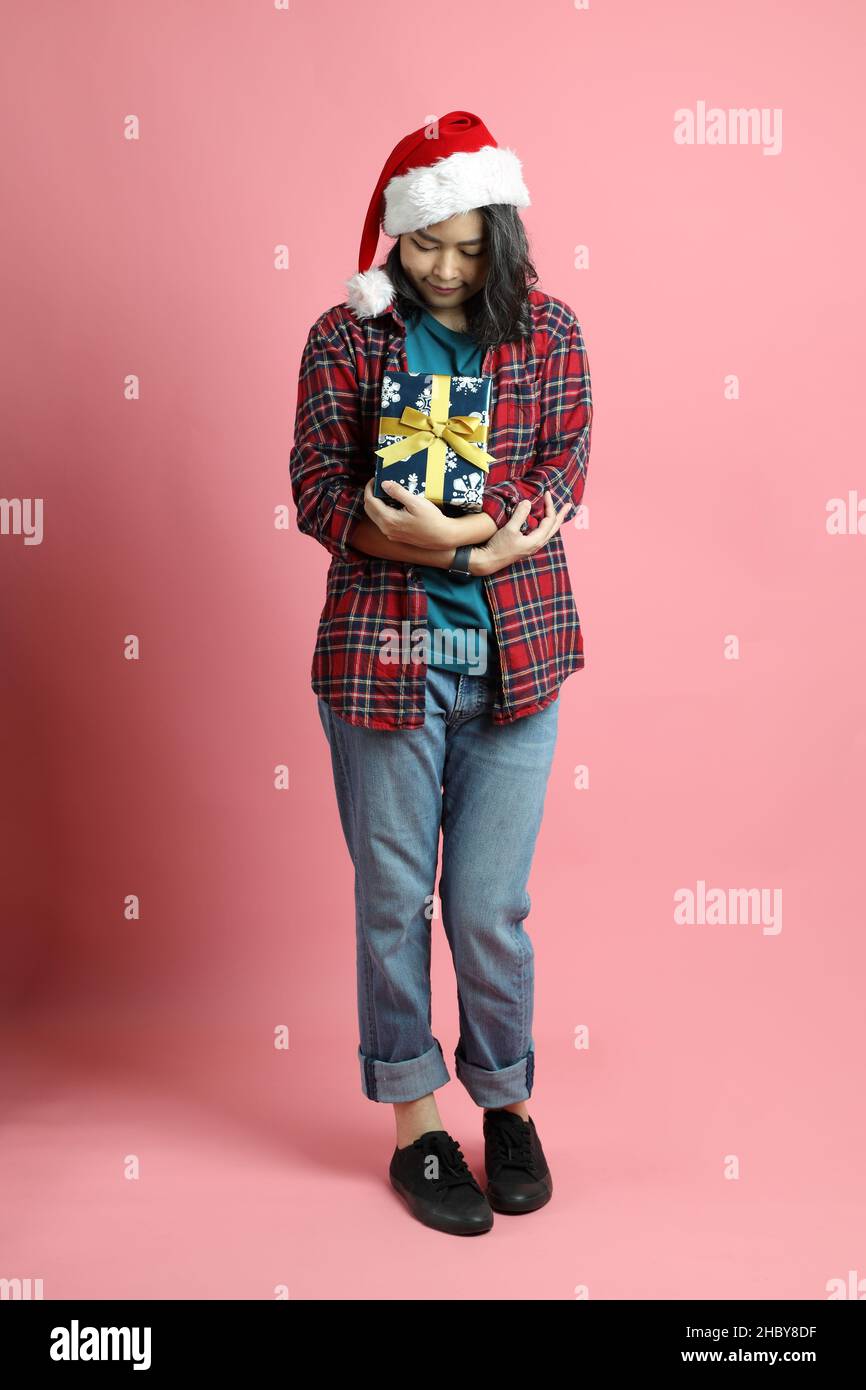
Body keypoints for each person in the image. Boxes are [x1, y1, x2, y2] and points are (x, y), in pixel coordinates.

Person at [289, 111, 593, 1236]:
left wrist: (493, 536)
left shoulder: (549, 330)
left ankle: (503, 1099)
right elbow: (315, 484)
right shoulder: (345, 336)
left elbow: (564, 460)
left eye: (470, 247)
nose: (447, 268)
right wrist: (399, 535)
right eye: (426, 245)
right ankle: (416, 1118)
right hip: (383, 659)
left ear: (499, 235)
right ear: (394, 233)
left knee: (486, 905)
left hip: (515, 656)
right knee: (389, 900)